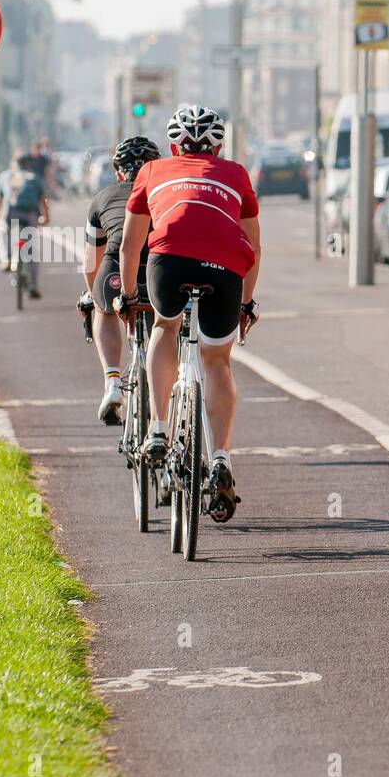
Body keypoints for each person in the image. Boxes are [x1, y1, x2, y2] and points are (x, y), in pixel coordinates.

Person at [118, 104, 260, 523]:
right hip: (226, 267)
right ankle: (220, 458)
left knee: (165, 324)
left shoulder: (151, 171)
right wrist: (247, 304)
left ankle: (158, 427)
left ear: (173, 144)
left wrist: (127, 297)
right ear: (218, 145)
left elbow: (129, 246)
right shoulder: (236, 174)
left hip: (170, 260)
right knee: (216, 359)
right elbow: (254, 249)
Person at [81, 136, 161, 425]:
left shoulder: (102, 197)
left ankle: (113, 382)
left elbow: (91, 262)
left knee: (103, 310)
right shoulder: (163, 192)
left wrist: (94, 296)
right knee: (166, 323)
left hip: (115, 266)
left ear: (118, 173)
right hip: (156, 267)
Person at [0, 151, 50, 298]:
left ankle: (6, 258)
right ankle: (33, 285)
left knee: (2, 228)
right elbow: (43, 199)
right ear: (27, 164)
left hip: (10, 212)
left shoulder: (5, 176)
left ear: (14, 164)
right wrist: (45, 217)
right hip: (29, 214)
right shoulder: (35, 177)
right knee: (32, 251)